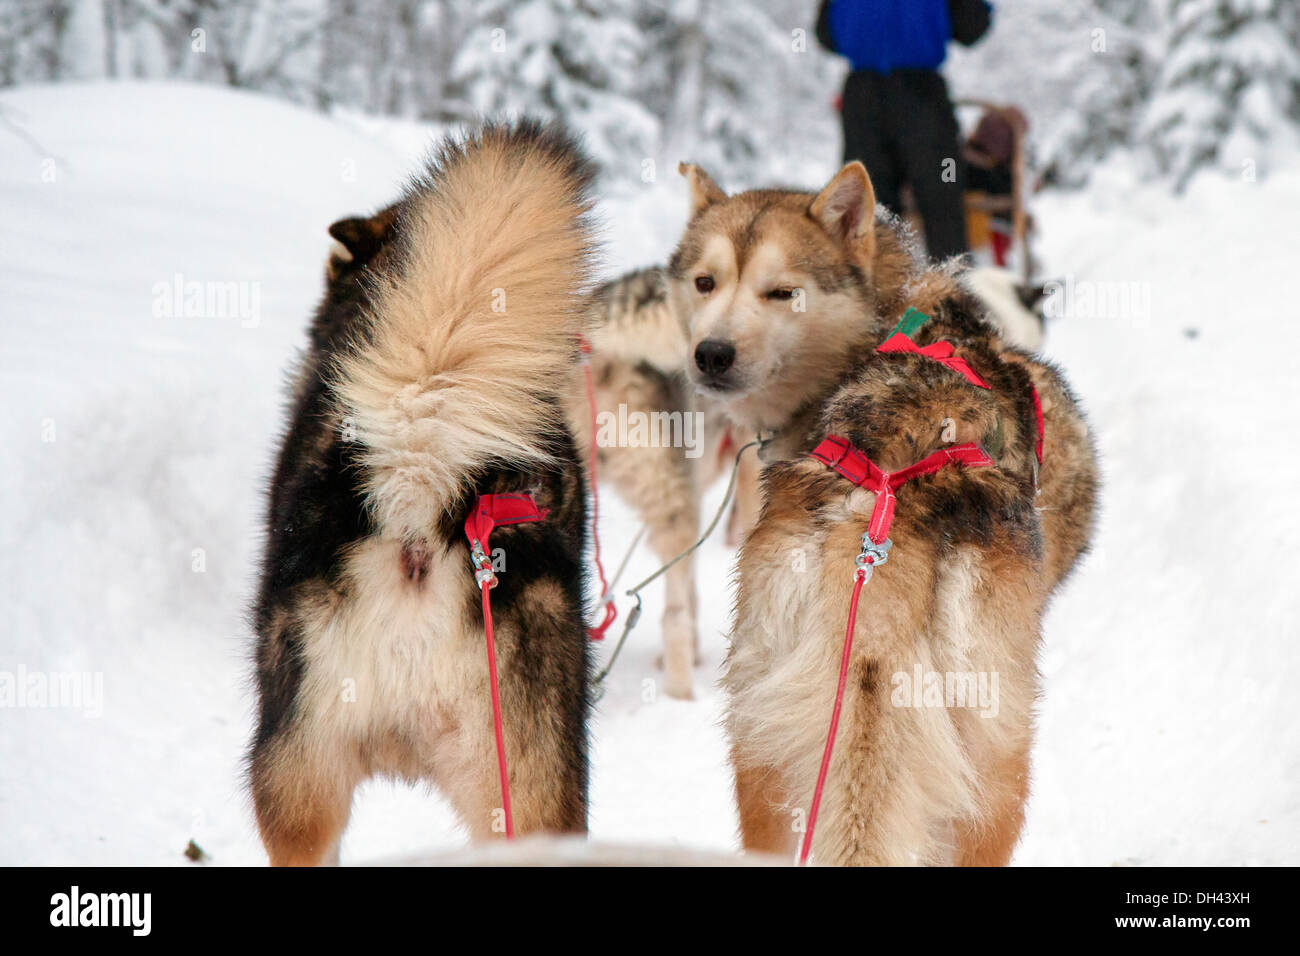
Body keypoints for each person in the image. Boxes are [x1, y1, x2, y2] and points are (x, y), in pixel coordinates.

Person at [816, 0, 992, 261]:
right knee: (941, 193)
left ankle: (884, 294)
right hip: (920, 94)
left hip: (864, 98)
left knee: (870, 207)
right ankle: (950, 290)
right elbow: (972, 27)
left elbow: (826, 35)